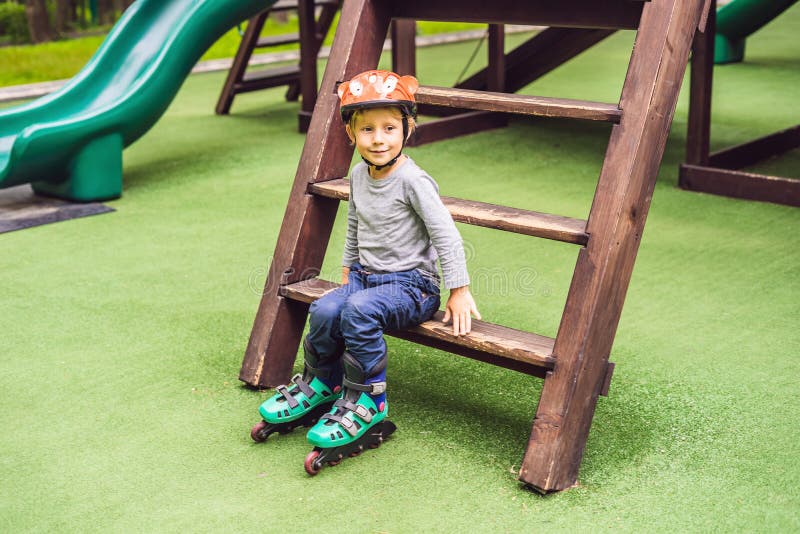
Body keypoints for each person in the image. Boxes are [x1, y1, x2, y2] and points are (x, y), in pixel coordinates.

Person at [253, 70, 480, 469]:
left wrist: (458, 289)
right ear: (350, 134)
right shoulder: (359, 175)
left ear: (408, 129)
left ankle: (370, 399)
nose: (379, 138)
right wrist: (347, 270)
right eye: (368, 130)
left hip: (413, 288)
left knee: (358, 311)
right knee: (324, 309)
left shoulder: (413, 180)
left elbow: (446, 235)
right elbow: (355, 223)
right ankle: (324, 382)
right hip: (365, 278)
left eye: (390, 128)